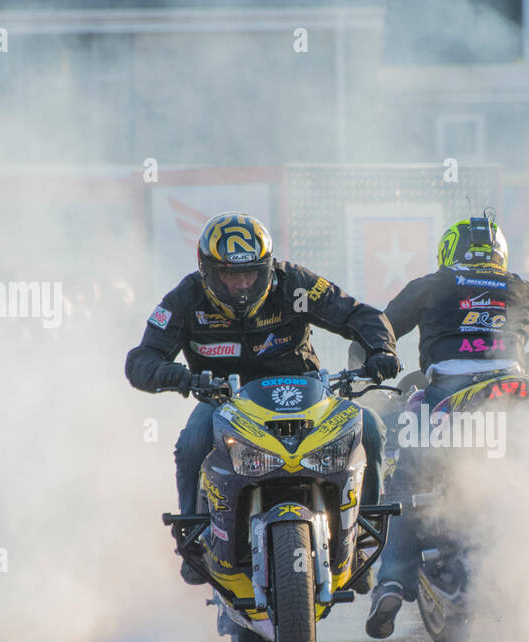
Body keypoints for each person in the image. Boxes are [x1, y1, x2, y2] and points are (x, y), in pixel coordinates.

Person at [125, 212, 400, 584]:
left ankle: (362, 539)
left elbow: (358, 313)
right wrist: (177, 376)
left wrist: (381, 351)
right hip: (224, 403)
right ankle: (193, 540)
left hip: (303, 393)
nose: (241, 284)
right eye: (229, 274)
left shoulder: (295, 283)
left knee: (371, 426)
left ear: (268, 267)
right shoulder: (185, 298)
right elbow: (140, 360)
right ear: (206, 270)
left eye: (251, 273)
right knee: (192, 440)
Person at [364, 215, 529, 638]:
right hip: (521, 393)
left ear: (450, 252)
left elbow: (378, 331)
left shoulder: (433, 284)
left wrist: (368, 370)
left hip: (449, 390)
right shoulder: (521, 287)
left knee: (406, 477)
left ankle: (392, 580)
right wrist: (524, 371)